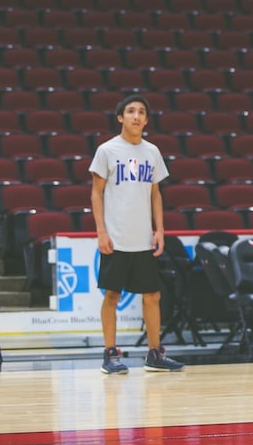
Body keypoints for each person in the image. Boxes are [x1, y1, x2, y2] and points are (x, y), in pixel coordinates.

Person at [90, 93, 184, 374]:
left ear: (146, 120)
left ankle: (154, 353)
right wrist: (101, 231)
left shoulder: (152, 152)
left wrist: (160, 230)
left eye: (141, 112)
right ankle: (110, 353)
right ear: (120, 117)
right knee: (112, 295)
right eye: (131, 111)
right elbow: (96, 193)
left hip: (143, 237)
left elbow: (156, 194)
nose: (136, 116)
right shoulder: (107, 150)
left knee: (153, 295)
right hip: (116, 237)